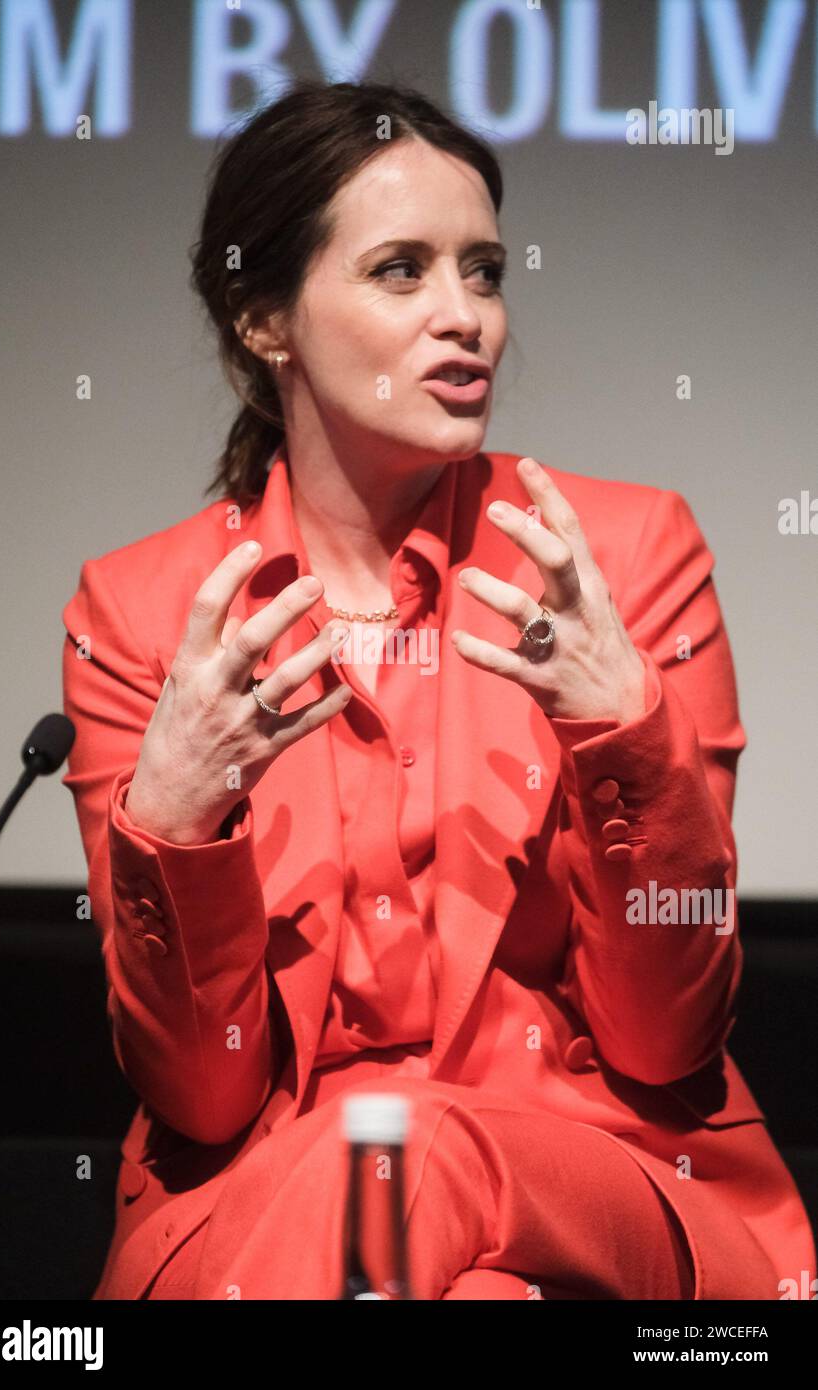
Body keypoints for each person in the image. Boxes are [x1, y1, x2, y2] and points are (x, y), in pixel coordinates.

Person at [61, 80, 815, 1300]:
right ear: (266, 320)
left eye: (483, 270)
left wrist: (614, 726)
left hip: (592, 1171)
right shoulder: (144, 617)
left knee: (394, 1150)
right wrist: (176, 820)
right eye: (401, 271)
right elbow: (201, 1091)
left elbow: (664, 1036)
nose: (465, 317)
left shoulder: (616, 559)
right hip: (269, 1207)